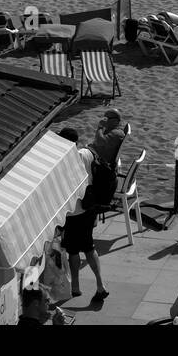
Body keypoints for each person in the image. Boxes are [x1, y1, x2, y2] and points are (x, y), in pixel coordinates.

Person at [56, 128, 110, 302]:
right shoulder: (87, 153)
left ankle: (75, 287)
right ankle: (100, 285)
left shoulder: (66, 160)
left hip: (73, 212)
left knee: (73, 250)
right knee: (89, 247)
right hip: (89, 207)